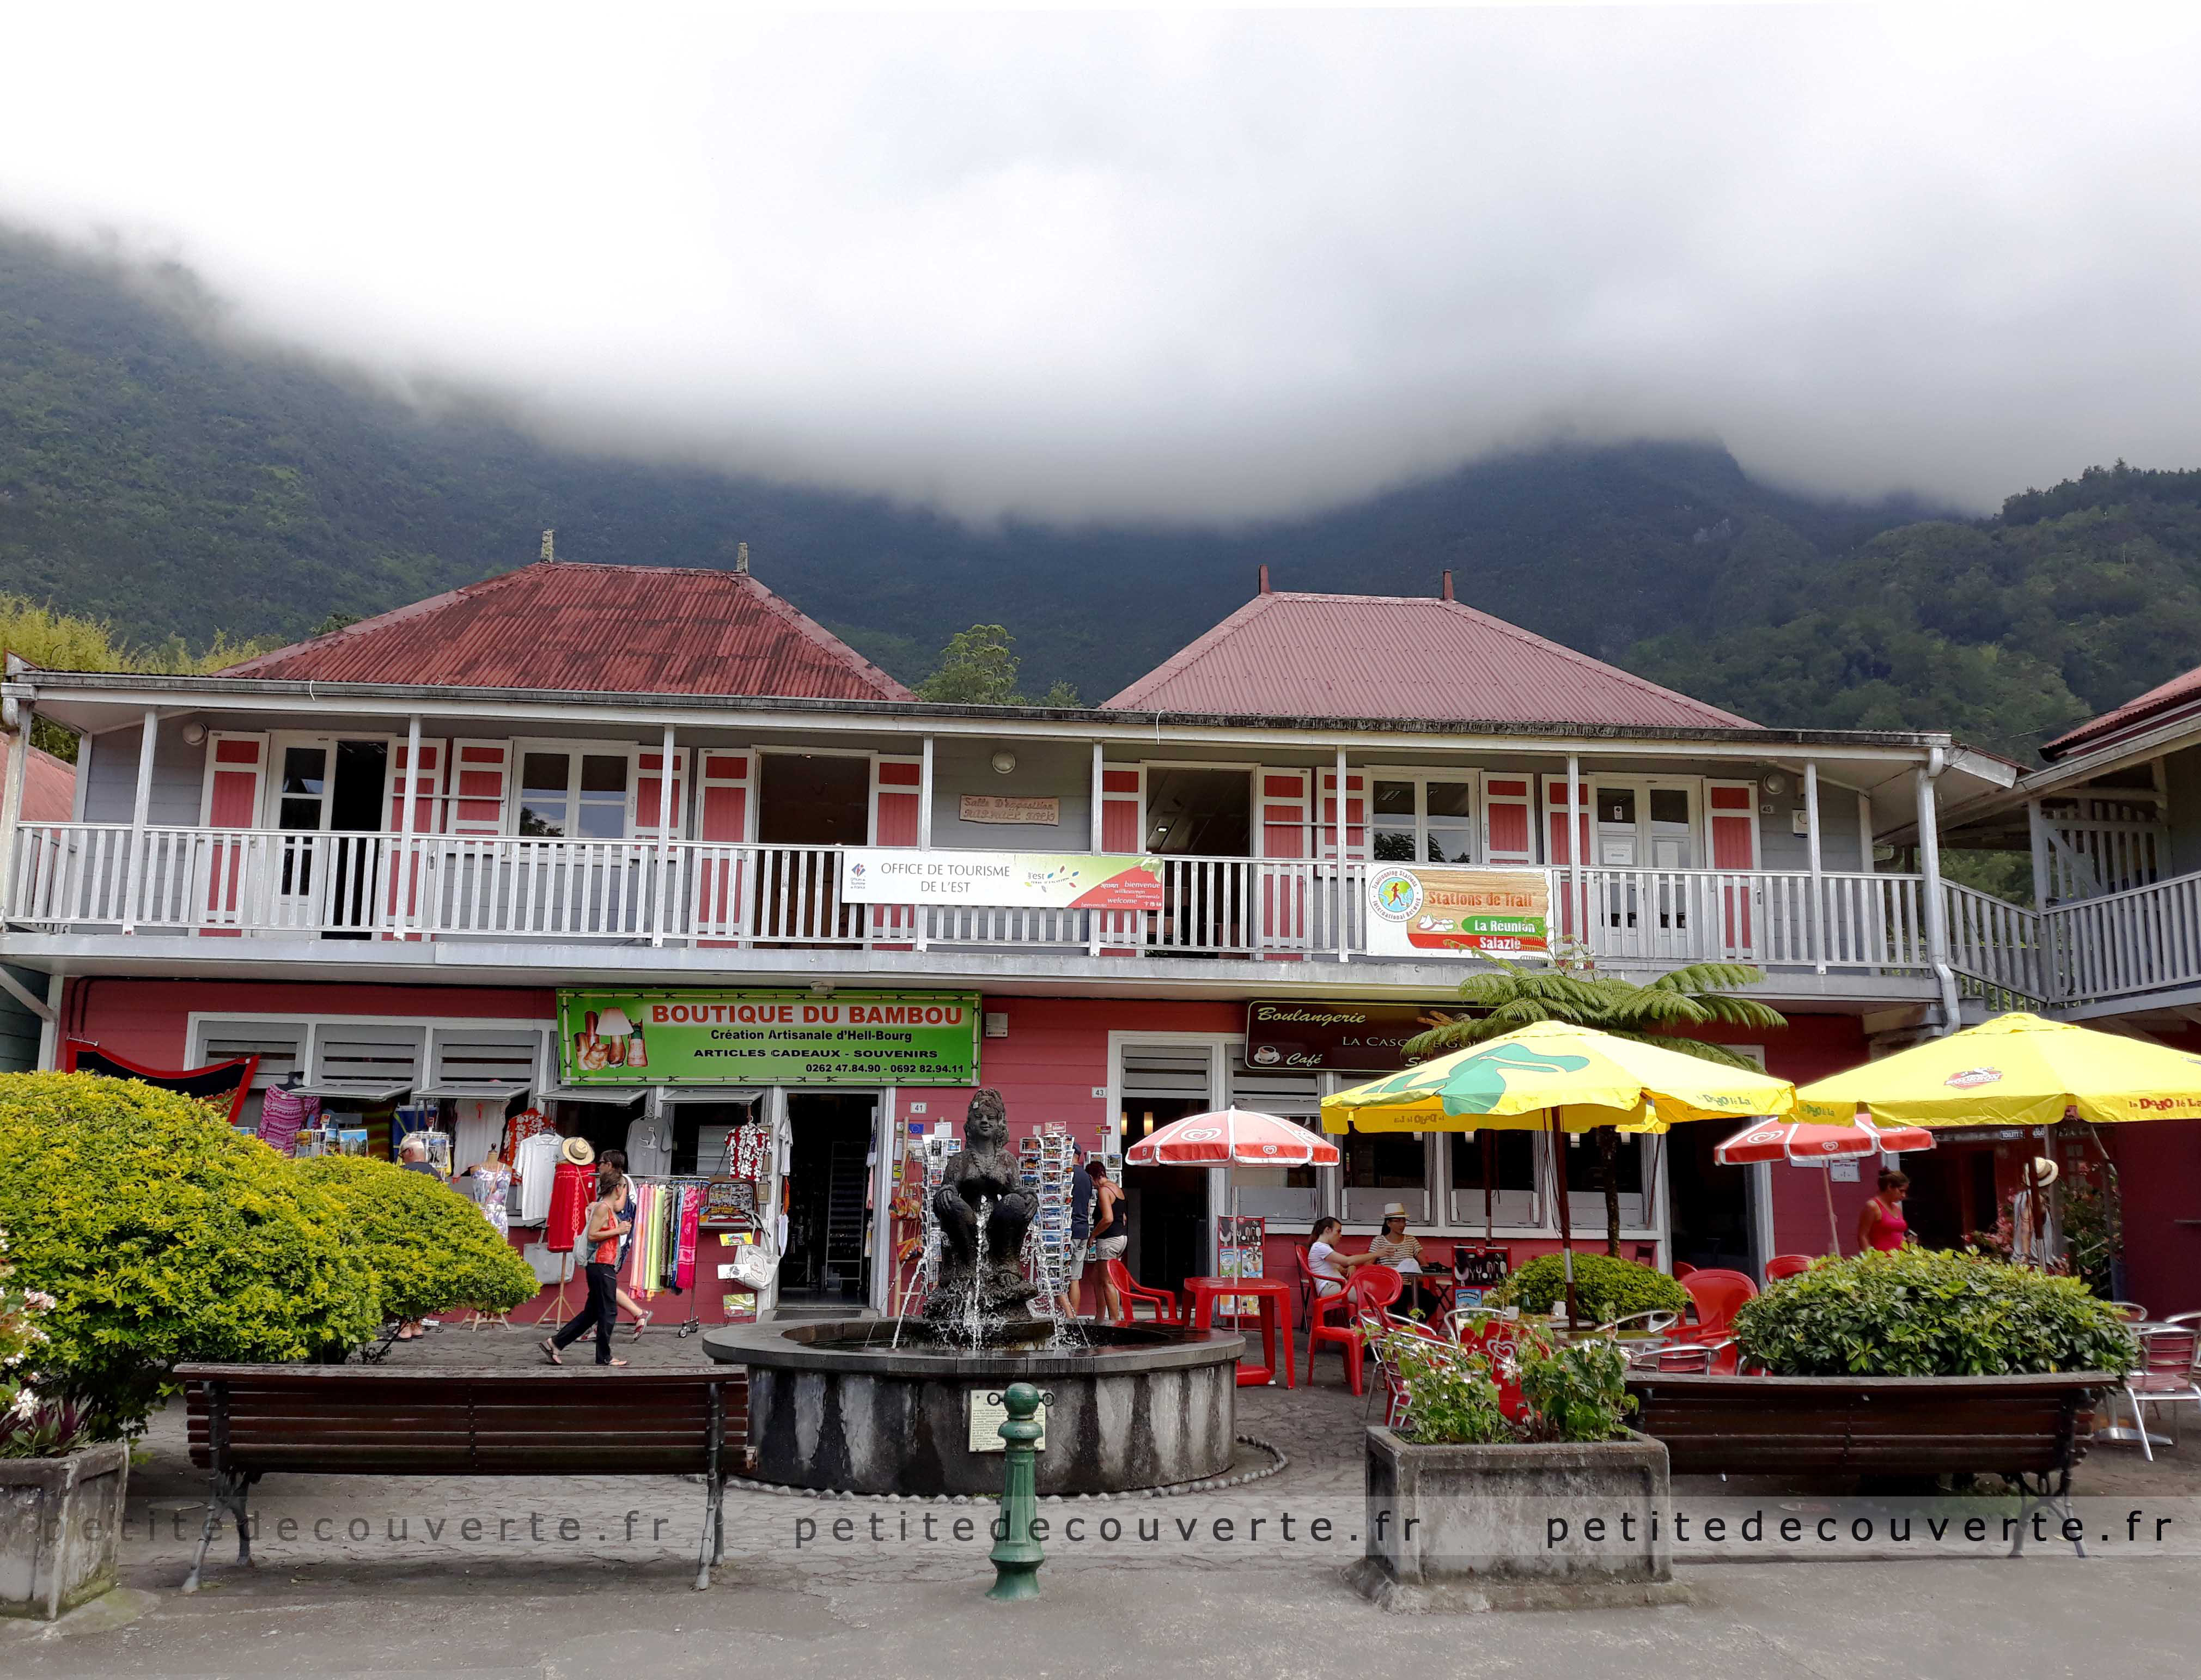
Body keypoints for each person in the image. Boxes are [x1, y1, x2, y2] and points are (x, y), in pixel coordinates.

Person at [541, 1165, 631, 1367]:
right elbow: (593, 1235)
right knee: (609, 1312)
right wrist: (618, 1230)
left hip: (601, 1266)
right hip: (601, 1265)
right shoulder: (602, 1209)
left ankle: (555, 1343)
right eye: (623, 1187)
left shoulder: (604, 1208)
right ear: (617, 1188)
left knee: (592, 1313)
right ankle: (604, 1357)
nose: (623, 1191)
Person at [599, 1149, 653, 1337]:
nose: (599, 1167)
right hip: (610, 1239)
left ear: (610, 1165)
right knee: (600, 1286)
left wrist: (599, 1206)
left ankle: (639, 1313)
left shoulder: (623, 1182)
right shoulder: (613, 1182)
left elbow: (619, 1206)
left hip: (618, 1240)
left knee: (605, 1284)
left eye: (602, 1163)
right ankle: (598, 1327)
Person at [1087, 1159, 1127, 1325]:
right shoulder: (1117, 1189)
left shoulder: (1104, 1191)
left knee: (1107, 1282)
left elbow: (1108, 1218)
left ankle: (1114, 1321)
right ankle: (1099, 1318)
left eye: (1091, 1180)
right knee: (1096, 1277)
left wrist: (1093, 1235)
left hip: (1108, 1240)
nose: (1092, 1185)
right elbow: (1123, 1217)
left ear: (1094, 1176)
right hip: (1121, 1238)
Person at [1056, 1147, 1093, 1319]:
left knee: (1057, 1277)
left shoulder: (1066, 1174)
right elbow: (1087, 1206)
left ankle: (1069, 1316)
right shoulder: (1087, 1177)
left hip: (1068, 1231)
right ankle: (1075, 1318)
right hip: (1083, 1230)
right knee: (1075, 1278)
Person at [1308, 1215, 1380, 1301]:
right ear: (1328, 1230)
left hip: (1337, 1286)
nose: (1341, 1236)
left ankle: (1374, 1315)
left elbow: (1344, 1268)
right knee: (1371, 1295)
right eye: (1338, 1232)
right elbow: (1348, 1261)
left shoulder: (1325, 1249)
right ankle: (1377, 1315)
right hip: (1331, 1288)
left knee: (1373, 1289)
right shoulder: (1319, 1247)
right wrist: (1377, 1254)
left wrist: (1351, 1266)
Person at [1856, 1170, 1911, 1255]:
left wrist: (1908, 1242)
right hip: (1882, 1262)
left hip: (1900, 1260)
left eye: (1905, 1192)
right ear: (1889, 1187)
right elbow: (1863, 1236)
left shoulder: (1897, 1208)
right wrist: (1871, 1260)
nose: (1904, 1195)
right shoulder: (1873, 1206)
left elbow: (1896, 1235)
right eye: (1901, 1191)